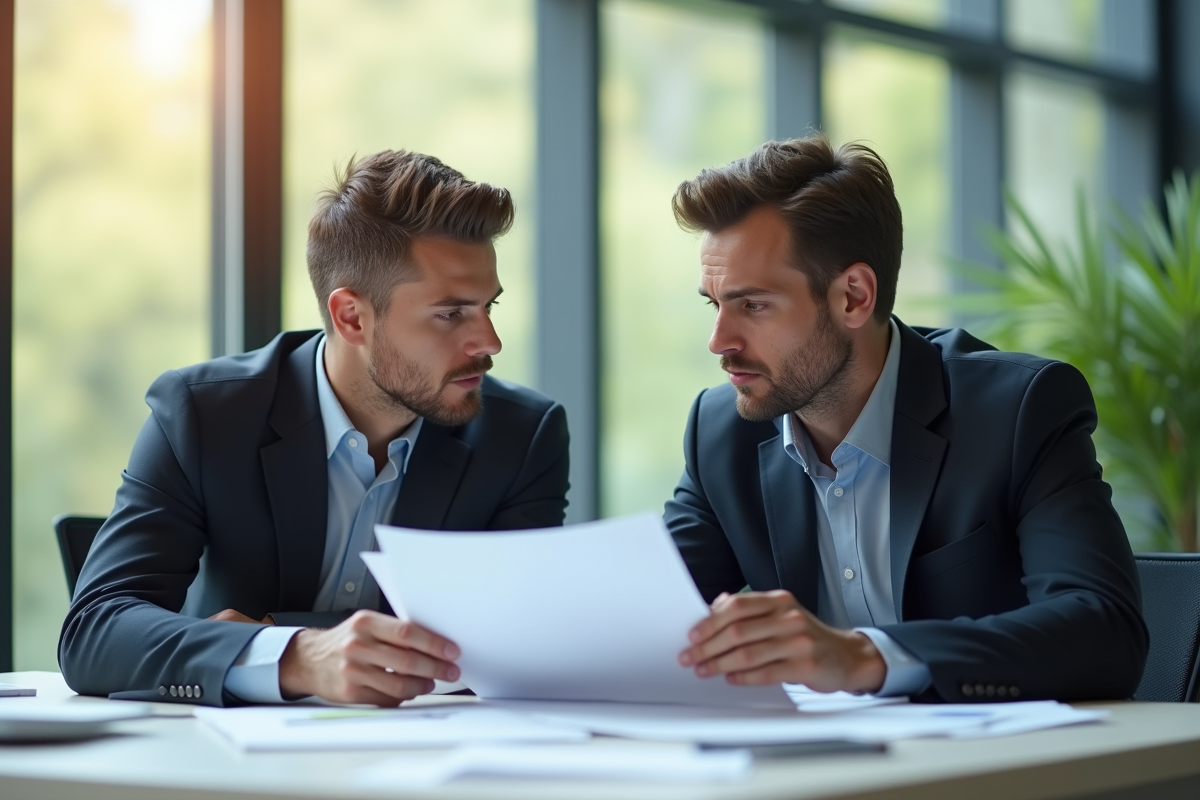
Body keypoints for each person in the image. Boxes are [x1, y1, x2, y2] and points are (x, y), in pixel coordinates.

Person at [59, 151, 570, 707]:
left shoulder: (523, 436)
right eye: (451, 313)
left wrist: (272, 628)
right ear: (352, 316)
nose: (490, 342)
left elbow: (513, 640)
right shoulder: (203, 414)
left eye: (488, 306)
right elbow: (95, 632)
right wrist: (297, 657)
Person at [667, 135, 1147, 702]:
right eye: (713, 303)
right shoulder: (721, 432)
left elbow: (1103, 630)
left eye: (753, 305)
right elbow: (639, 617)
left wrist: (864, 655)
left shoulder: (1018, 411)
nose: (718, 341)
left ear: (853, 297)